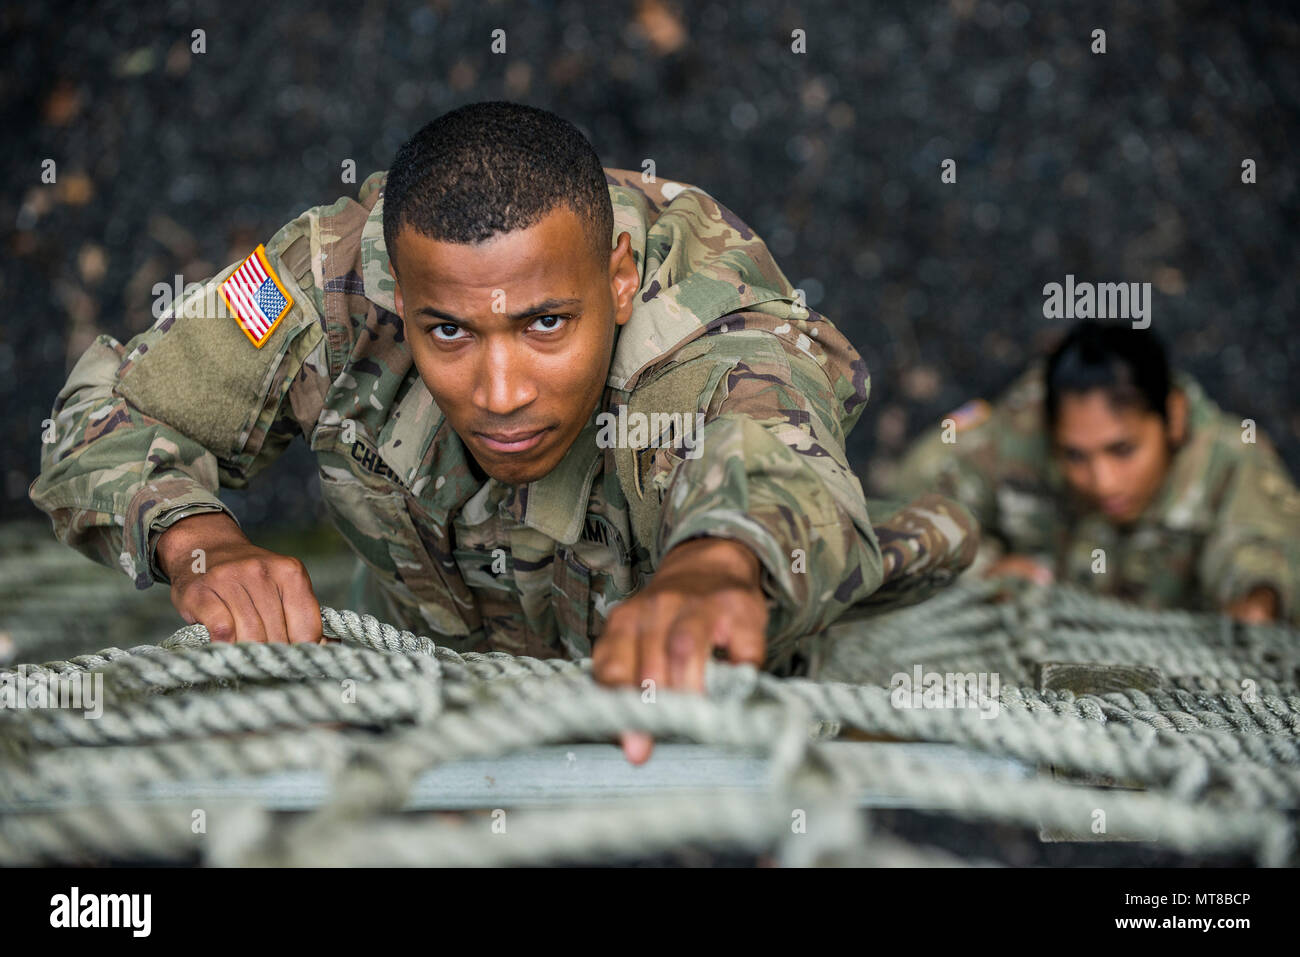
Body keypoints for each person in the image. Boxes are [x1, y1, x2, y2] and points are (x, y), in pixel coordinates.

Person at [31, 101, 976, 762]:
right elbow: (111, 412)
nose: (500, 391)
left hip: (691, 668)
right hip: (425, 659)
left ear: (614, 281)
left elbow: (774, 455)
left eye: (545, 325)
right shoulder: (326, 277)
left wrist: (718, 566)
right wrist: (195, 540)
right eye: (449, 331)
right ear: (401, 294)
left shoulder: (708, 321)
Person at [891, 319, 1300, 625]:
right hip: (1028, 656)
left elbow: (1263, 546)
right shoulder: (1014, 436)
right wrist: (983, 570)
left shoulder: (1230, 459)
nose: (1102, 481)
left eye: (1123, 450)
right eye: (1074, 455)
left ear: (1173, 419)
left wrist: (1259, 598)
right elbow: (912, 501)